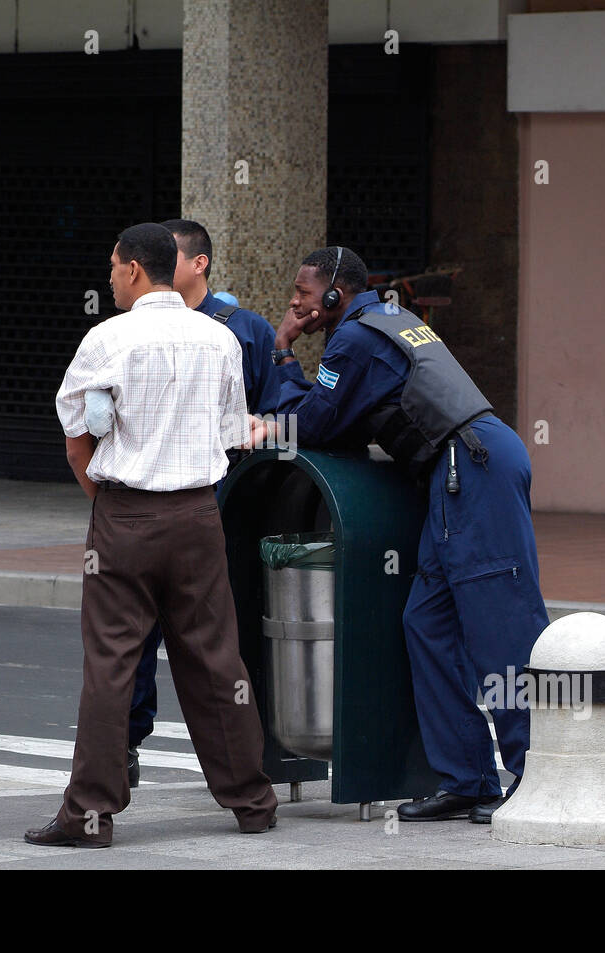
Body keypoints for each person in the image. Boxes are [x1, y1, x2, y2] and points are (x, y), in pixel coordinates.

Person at [265, 245, 549, 825]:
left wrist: (281, 353)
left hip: (469, 471)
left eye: (304, 290)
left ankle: (535, 774)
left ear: (337, 293)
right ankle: (468, 778)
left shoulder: (354, 339)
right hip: (463, 469)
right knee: (428, 624)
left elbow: (315, 425)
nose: (295, 300)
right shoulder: (392, 320)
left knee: (501, 629)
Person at [28, 222, 277, 848]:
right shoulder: (220, 339)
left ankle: (90, 813)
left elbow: (75, 431)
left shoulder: (107, 338)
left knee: (112, 661)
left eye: (113, 266)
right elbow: (230, 431)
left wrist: (104, 497)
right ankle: (252, 800)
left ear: (135, 270)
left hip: (124, 515)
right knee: (217, 658)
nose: (109, 277)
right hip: (198, 515)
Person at [121, 218, 280, 789]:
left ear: (199, 263)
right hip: (142, 507)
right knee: (133, 638)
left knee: (214, 646)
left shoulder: (242, 331)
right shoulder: (127, 333)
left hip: (217, 506)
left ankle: (245, 767)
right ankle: (127, 746)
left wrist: (259, 429)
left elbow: (276, 418)